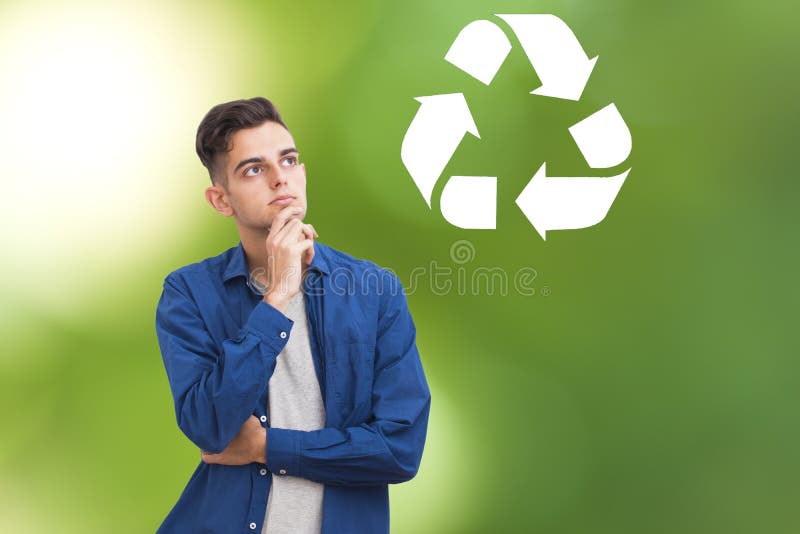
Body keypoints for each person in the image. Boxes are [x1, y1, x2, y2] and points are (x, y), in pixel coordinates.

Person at [154, 97, 431, 533]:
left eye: (289, 160)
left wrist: (267, 446)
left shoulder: (373, 290)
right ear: (221, 200)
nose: (280, 179)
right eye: (254, 169)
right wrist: (278, 297)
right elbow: (208, 427)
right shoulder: (189, 293)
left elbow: (400, 449)